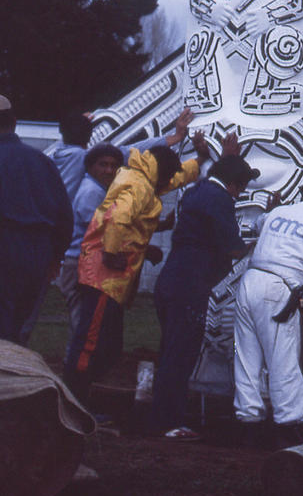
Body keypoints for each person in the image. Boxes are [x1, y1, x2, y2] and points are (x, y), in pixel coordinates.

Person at [63, 137, 207, 405]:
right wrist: (111, 252)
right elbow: (117, 218)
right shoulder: (139, 185)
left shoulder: (144, 178)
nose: (171, 182)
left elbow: (175, 178)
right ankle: (73, 400)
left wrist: (199, 160)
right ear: (161, 170)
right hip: (102, 279)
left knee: (109, 348)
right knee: (91, 346)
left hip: (112, 281)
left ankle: (79, 397)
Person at [151, 149, 258, 439]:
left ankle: (159, 416)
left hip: (172, 278)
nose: (240, 194)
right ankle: (167, 422)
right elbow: (233, 247)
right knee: (181, 353)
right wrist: (257, 241)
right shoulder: (220, 198)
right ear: (233, 184)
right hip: (190, 283)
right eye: (242, 187)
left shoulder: (194, 191)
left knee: (171, 350)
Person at [234, 181, 303, 445]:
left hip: (249, 282)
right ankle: (289, 424)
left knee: (246, 357)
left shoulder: (277, 213)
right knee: (283, 360)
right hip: (280, 290)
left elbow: (258, 223)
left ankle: (248, 422)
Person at [0, 96, 73, 343]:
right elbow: (65, 215)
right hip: (37, 254)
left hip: (6, 247)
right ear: (15, 122)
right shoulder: (41, 161)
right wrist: (56, 257)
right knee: (20, 327)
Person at [48, 107, 195, 201]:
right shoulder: (83, 157)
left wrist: (75, 125)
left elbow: (68, 138)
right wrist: (174, 138)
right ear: (89, 137)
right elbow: (128, 151)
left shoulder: (53, 157)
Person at [58, 144, 124, 345]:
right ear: (90, 167)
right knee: (81, 320)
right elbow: (99, 231)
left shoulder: (99, 189)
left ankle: (76, 363)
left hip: (81, 261)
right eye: (103, 165)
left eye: (113, 166)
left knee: (83, 318)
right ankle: (74, 367)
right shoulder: (91, 191)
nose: (109, 170)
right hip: (77, 262)